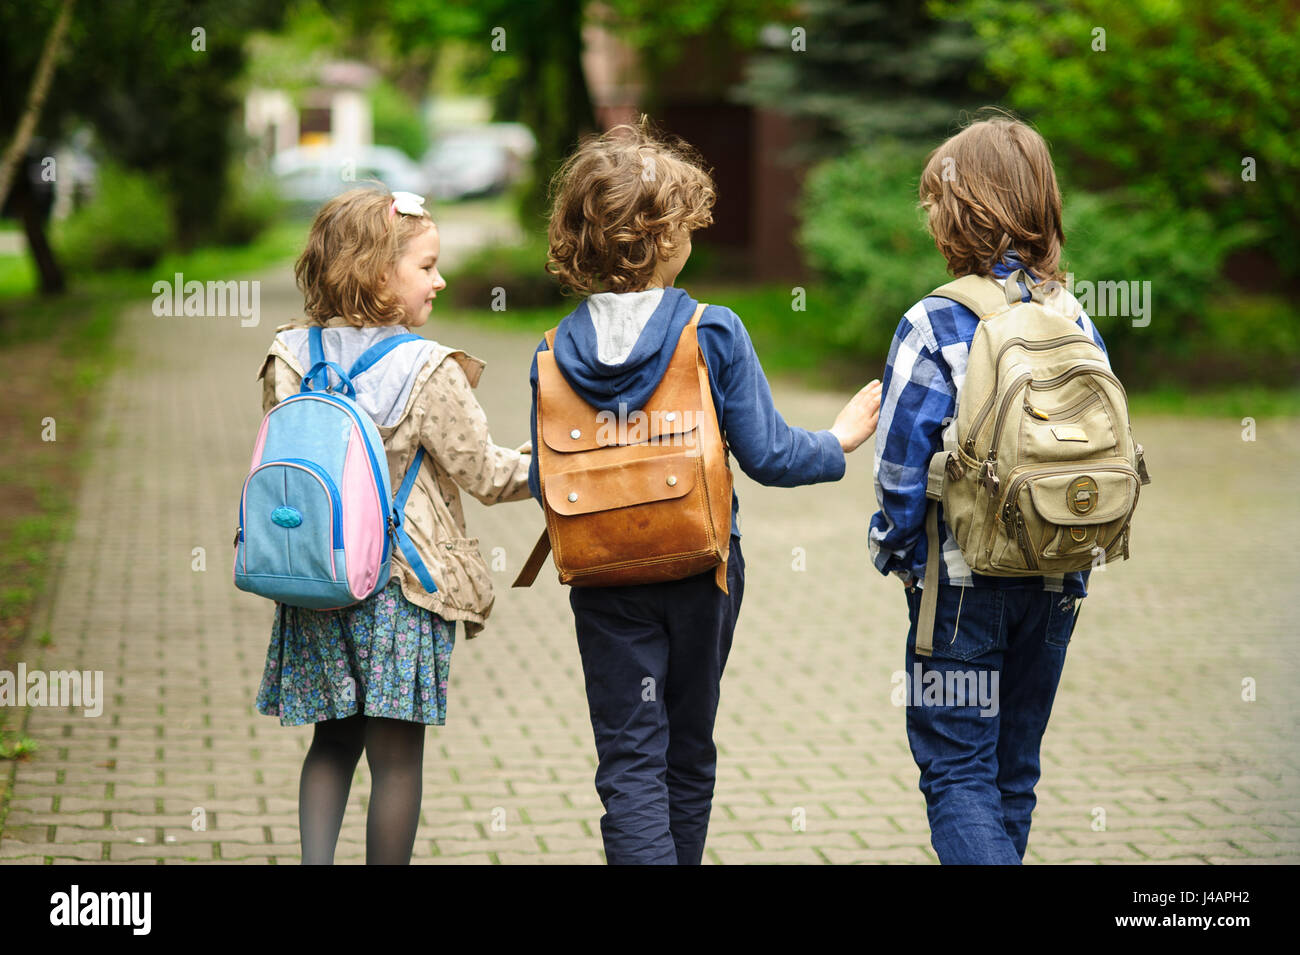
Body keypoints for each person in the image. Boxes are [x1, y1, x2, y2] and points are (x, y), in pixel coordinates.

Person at [530, 121, 882, 864]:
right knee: (687, 749)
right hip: (701, 568)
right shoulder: (710, 330)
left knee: (629, 760)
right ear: (663, 240)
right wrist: (840, 439)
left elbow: (547, 479)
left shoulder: (552, 352)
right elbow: (769, 454)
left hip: (601, 576)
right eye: (686, 222)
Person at [253, 186, 532, 864]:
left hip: (316, 576)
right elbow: (489, 475)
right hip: (401, 585)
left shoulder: (288, 354)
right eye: (427, 266)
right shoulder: (426, 367)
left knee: (332, 741)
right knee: (397, 759)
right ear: (381, 274)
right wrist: (558, 467)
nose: (439, 280)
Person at [868, 113, 1108, 864]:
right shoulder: (1076, 318)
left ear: (954, 214)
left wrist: (897, 550)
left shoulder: (934, 320)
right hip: (1058, 578)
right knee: (1013, 773)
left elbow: (901, 470)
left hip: (962, 587)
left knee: (957, 771)